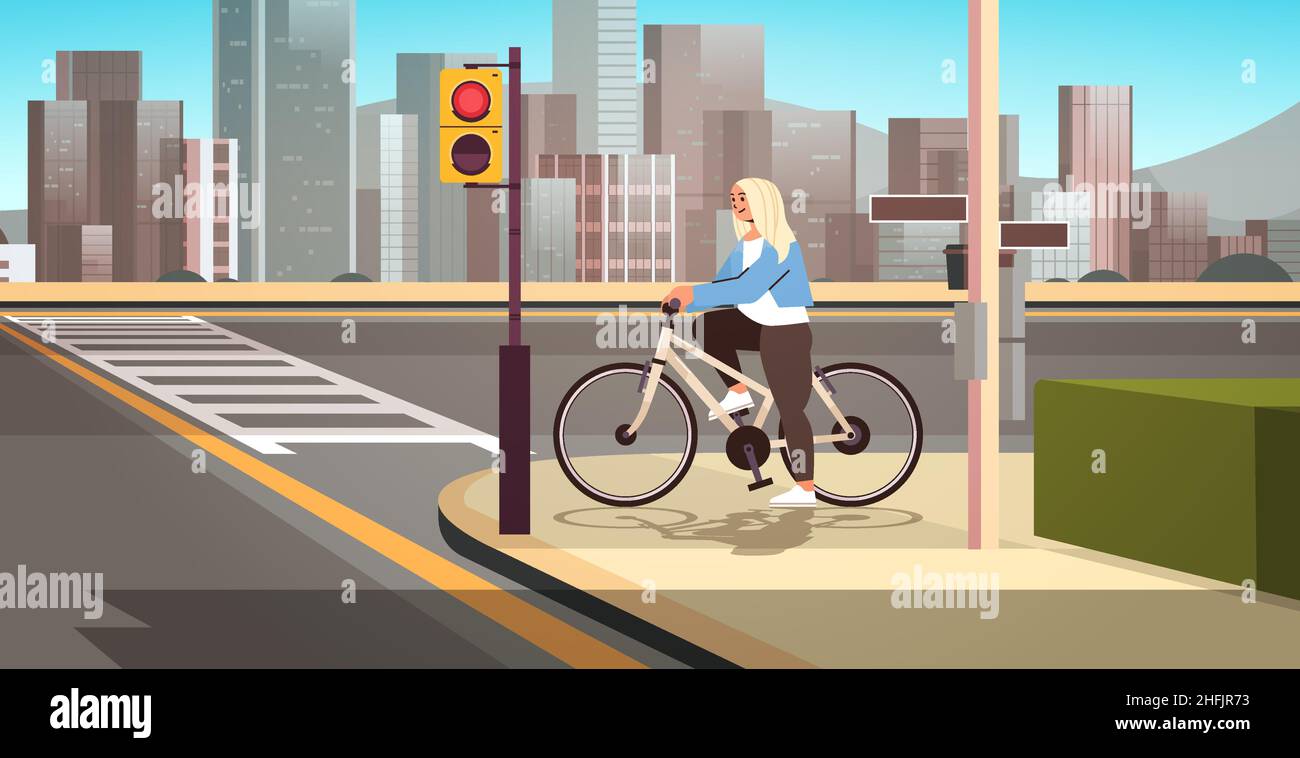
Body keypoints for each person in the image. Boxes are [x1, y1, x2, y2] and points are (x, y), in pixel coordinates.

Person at [662, 177, 817, 507]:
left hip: (784, 330)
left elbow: (748, 288)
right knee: (707, 325)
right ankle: (737, 391)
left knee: (791, 412)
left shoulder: (783, 244)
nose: (736, 202)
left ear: (763, 200)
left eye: (743, 196)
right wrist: (686, 299)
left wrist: (691, 293)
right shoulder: (744, 243)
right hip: (755, 324)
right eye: (732, 196)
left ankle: (805, 488)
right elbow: (723, 286)